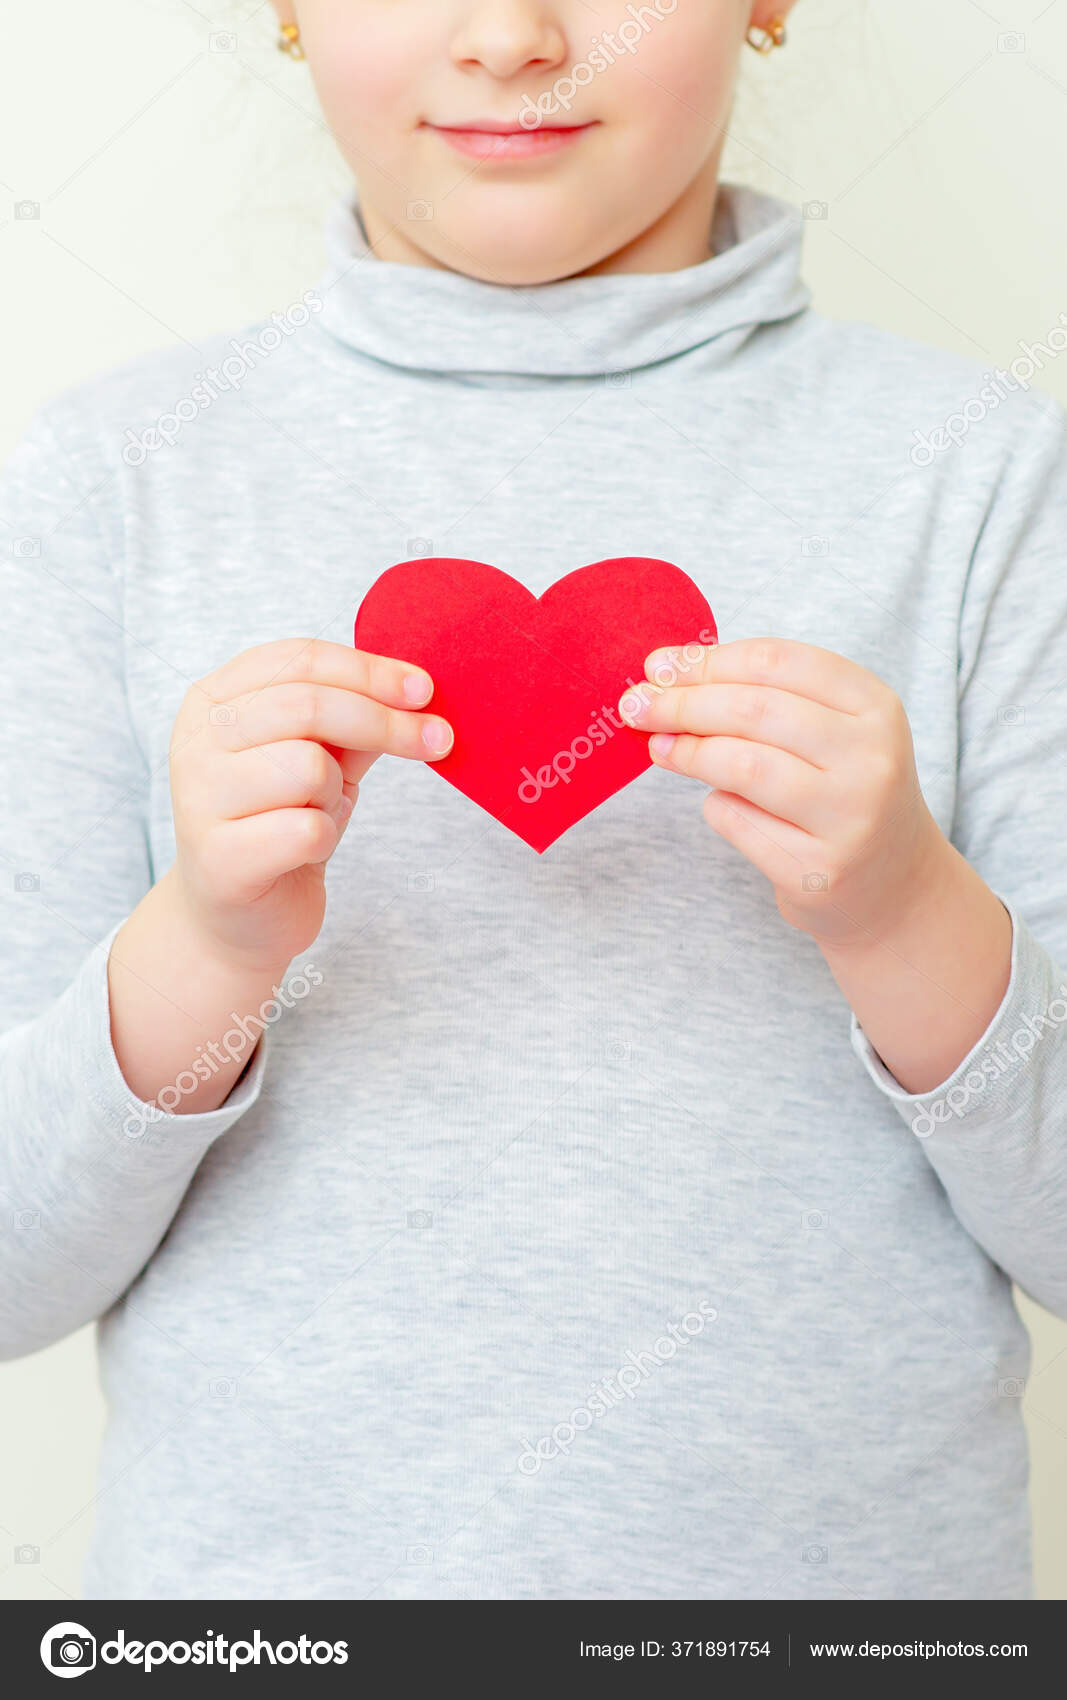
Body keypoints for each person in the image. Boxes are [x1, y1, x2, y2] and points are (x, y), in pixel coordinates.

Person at [1, 0, 1064, 1600]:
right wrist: (203, 954)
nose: (507, 34)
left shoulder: (987, 479)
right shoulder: (107, 488)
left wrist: (907, 913)